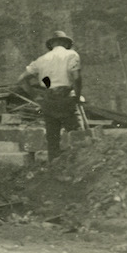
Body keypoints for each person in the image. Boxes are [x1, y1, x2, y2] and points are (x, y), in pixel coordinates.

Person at [21, 30, 83, 158]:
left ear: (52, 44)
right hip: (66, 98)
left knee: (52, 140)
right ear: (65, 43)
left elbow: (21, 79)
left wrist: (36, 97)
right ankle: (82, 170)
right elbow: (76, 78)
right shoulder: (71, 54)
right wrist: (76, 96)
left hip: (48, 101)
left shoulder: (41, 59)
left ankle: (53, 171)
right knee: (79, 138)